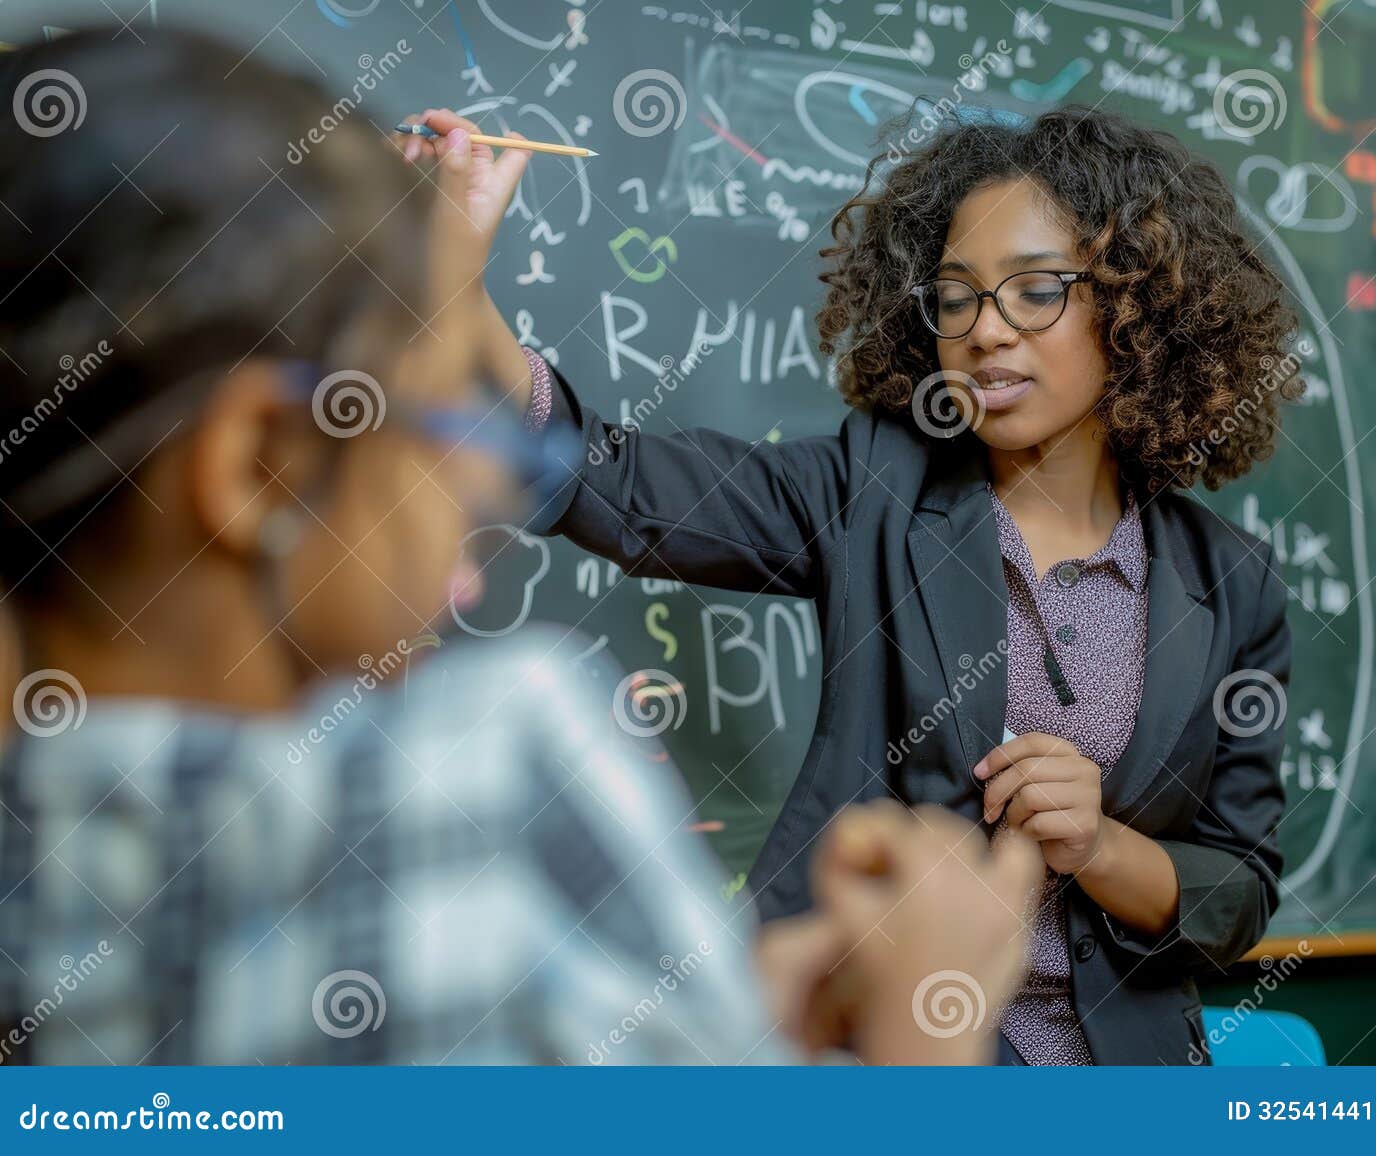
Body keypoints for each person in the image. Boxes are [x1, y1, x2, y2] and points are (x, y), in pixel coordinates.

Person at [0, 27, 1043, 1066]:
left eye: (1037, 291)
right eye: (447, 427)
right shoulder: (494, 769)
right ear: (259, 466)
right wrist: (922, 1031)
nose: (481, 505)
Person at [401, 95, 1298, 1065]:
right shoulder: (873, 493)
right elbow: (613, 485)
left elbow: (1237, 893)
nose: (986, 332)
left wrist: (1100, 846)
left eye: (1036, 291)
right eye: (956, 297)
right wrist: (456, 276)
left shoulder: (1229, 583)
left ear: (1133, 308)